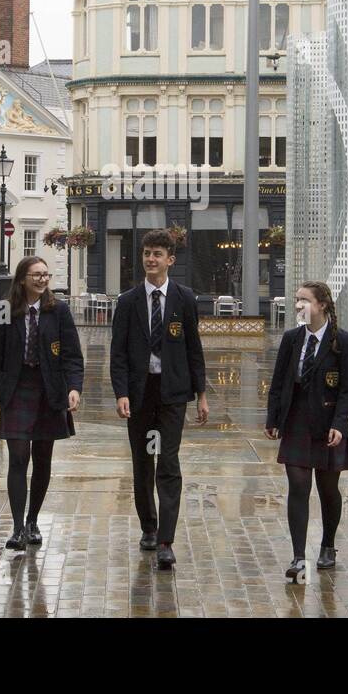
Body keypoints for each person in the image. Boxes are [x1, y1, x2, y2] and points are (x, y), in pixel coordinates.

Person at [110, 229, 208, 570]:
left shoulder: (184, 299)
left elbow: (194, 349)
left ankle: (166, 540)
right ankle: (148, 528)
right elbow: (118, 354)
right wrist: (121, 392)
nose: (151, 259)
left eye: (157, 254)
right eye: (147, 253)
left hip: (173, 393)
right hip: (139, 393)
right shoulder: (127, 302)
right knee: (142, 463)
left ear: (170, 259)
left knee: (168, 462)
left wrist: (202, 394)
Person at [0, 256, 83, 551]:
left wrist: (74, 388)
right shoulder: (5, 311)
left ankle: (33, 521)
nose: (42, 280)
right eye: (36, 275)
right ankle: (16, 528)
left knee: (42, 459)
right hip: (16, 390)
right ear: (22, 278)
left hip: (49, 391)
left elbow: (72, 355)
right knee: (17, 457)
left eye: (46, 275)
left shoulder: (59, 310)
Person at [265, 281, 348, 583]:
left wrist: (340, 425)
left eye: (304, 300)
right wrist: (273, 418)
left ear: (322, 305)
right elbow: (278, 382)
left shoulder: (342, 341)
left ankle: (328, 545)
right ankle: (297, 556)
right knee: (298, 487)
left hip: (329, 426)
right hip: (296, 423)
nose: (298, 306)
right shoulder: (292, 339)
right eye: (296, 300)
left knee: (328, 489)